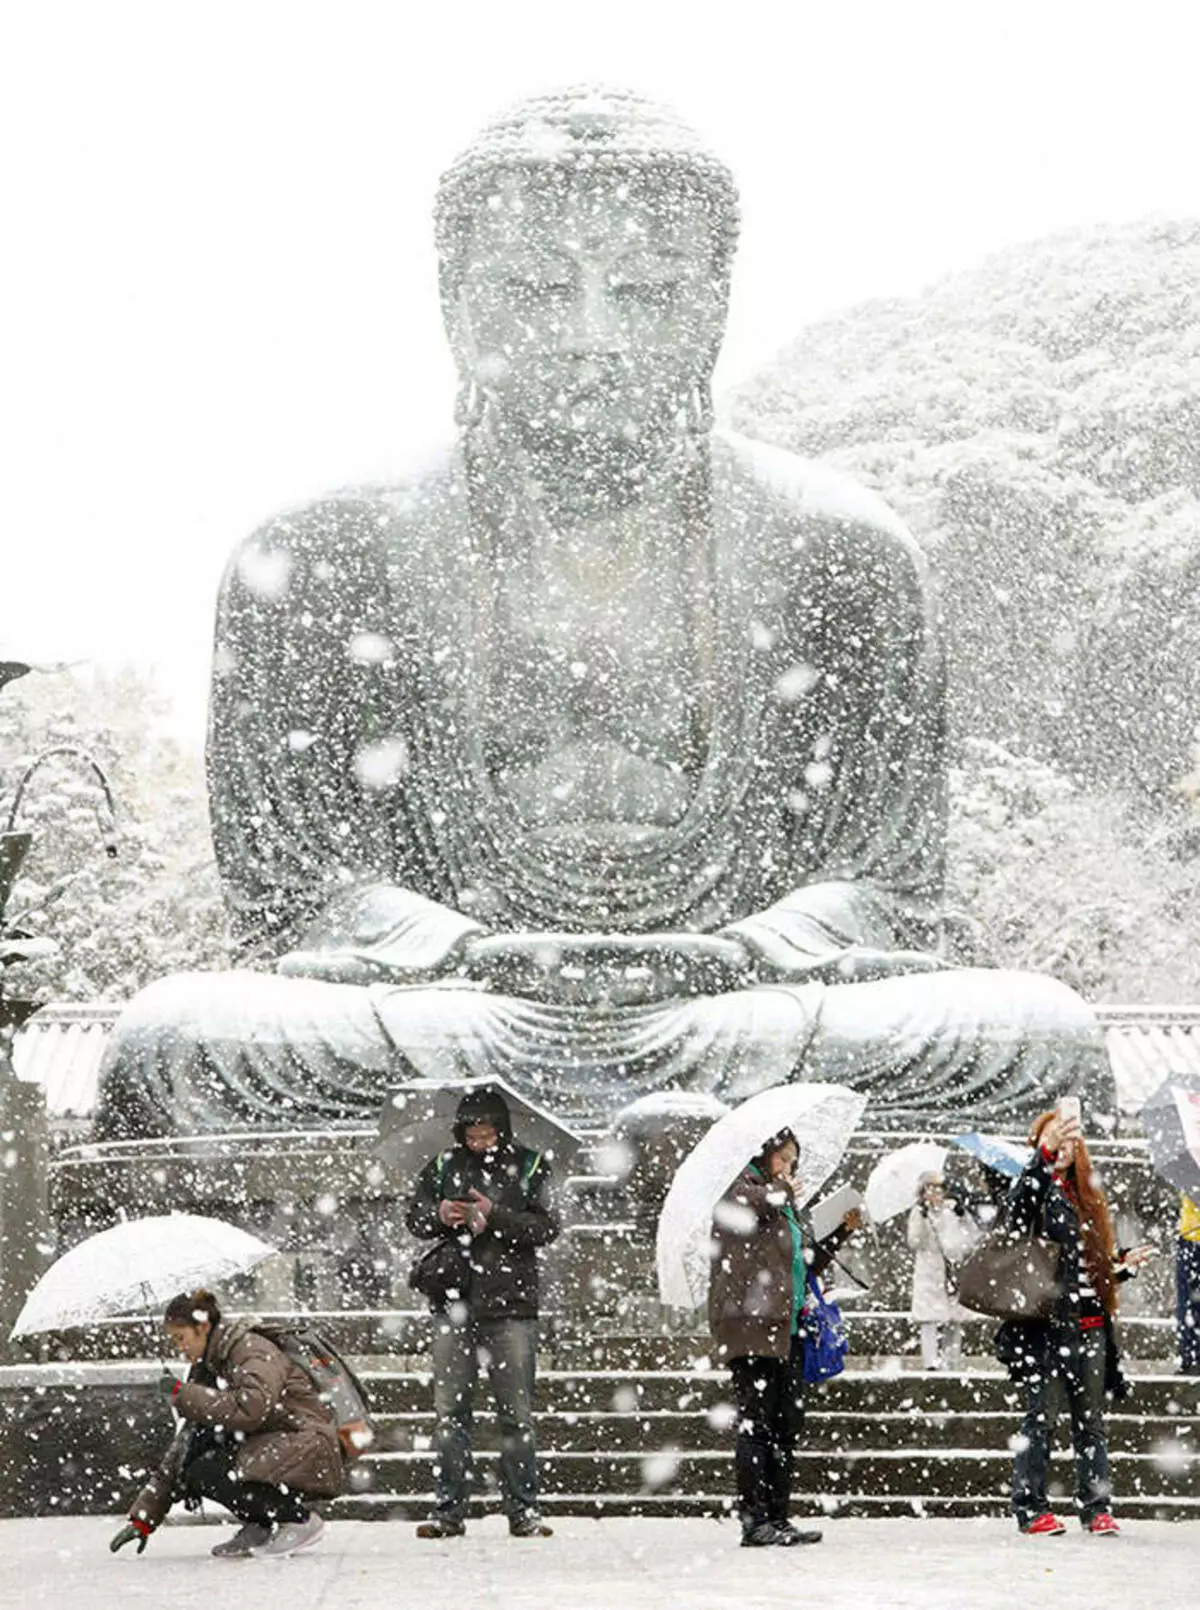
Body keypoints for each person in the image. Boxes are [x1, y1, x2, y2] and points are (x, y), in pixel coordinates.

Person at [95, 85, 1112, 1145]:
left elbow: (890, 891)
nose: (590, 337)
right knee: (178, 1042)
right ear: (458, 302)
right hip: (451, 1009)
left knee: (1039, 1036)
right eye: (535, 286)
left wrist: (746, 952)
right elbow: (292, 896)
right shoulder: (315, 553)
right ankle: (626, 1114)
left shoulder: (841, 549)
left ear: (713, 303)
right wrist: (462, 951)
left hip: (741, 1010)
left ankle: (568, 1109)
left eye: (644, 290)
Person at [404, 1085, 559, 1539]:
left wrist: (497, 1217)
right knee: (450, 1413)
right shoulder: (442, 1166)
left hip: (511, 1306)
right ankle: (448, 1511)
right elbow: (413, 1218)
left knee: (516, 1415)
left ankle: (524, 1509)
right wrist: (440, 1213)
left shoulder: (530, 1165)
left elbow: (547, 1227)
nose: (478, 1139)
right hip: (454, 1301)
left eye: (486, 1131)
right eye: (471, 1132)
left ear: (501, 1128)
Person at [995, 1106, 1155, 1537]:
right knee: (1040, 1420)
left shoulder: (1085, 1197)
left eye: (1069, 1139)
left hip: (1090, 1328)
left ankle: (1096, 1506)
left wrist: (1121, 1265)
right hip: (1047, 1329)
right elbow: (1017, 1218)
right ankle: (1030, 1507)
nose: (1063, 1146)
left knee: (1092, 1424)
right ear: (1039, 1145)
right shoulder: (1032, 1189)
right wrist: (1042, 1161)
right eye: (1053, 1138)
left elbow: (1086, 1271)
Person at [708, 1126, 860, 1548]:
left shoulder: (781, 1201)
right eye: (784, 1158)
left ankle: (778, 1515)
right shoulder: (738, 1188)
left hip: (788, 1326)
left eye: (793, 1161)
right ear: (764, 1154)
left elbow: (804, 1264)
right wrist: (780, 1190)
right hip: (751, 1325)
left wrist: (839, 1232)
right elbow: (752, 1210)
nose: (789, 1168)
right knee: (757, 1423)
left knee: (786, 1424)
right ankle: (754, 1519)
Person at [109, 1289, 342, 1559]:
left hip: (305, 1442)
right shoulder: (211, 1366)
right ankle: (259, 1524)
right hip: (274, 1444)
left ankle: (299, 1521)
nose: (179, 1348)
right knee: (196, 1462)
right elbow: (185, 1445)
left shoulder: (250, 1349)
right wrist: (143, 1519)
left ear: (204, 1327)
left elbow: (251, 1408)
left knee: (209, 1469)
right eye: (174, 1341)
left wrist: (183, 1394)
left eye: (181, 1337)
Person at [906, 1172, 980, 1370]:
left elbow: (971, 1238)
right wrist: (922, 1219)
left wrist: (963, 1216)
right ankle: (930, 1362)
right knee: (928, 1319)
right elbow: (914, 1241)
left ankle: (951, 1361)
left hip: (952, 1270)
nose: (935, 1193)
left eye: (938, 1188)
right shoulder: (918, 1212)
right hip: (929, 1271)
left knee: (954, 1319)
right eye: (930, 1188)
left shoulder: (952, 1211)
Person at [1176, 1191, 1200, 1373]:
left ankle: (1191, 1355)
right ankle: (1191, 1355)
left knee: (1188, 1302)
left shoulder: (1190, 1167)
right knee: (1188, 1302)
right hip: (1191, 1237)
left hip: (1191, 1238)